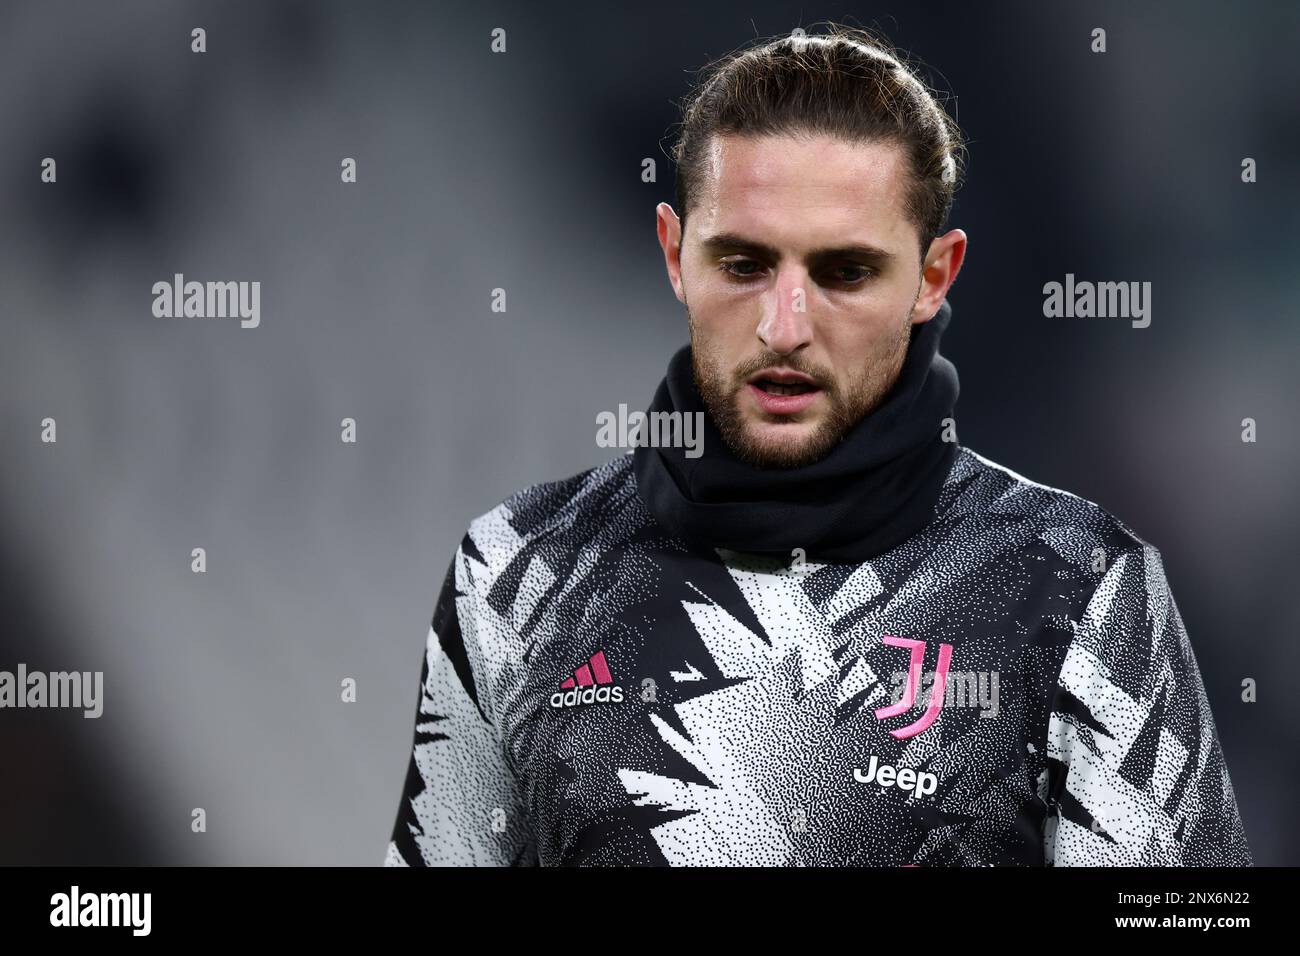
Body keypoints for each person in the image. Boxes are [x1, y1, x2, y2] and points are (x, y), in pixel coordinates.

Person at [383, 25, 1251, 867]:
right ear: (675, 256)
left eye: (844, 271)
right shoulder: (514, 572)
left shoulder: (1087, 582)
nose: (785, 326)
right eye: (744, 264)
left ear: (932, 274)